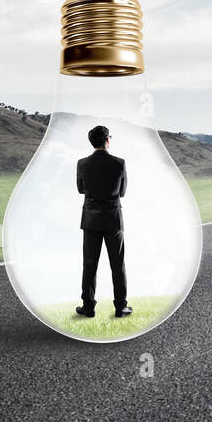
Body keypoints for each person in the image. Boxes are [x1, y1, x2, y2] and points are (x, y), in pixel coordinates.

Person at [76, 125, 131, 318]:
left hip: (91, 219)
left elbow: (81, 189)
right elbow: (122, 192)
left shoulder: (82, 163)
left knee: (89, 263)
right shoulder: (119, 163)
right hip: (113, 220)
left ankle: (88, 306)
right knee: (117, 264)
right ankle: (121, 306)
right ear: (107, 140)